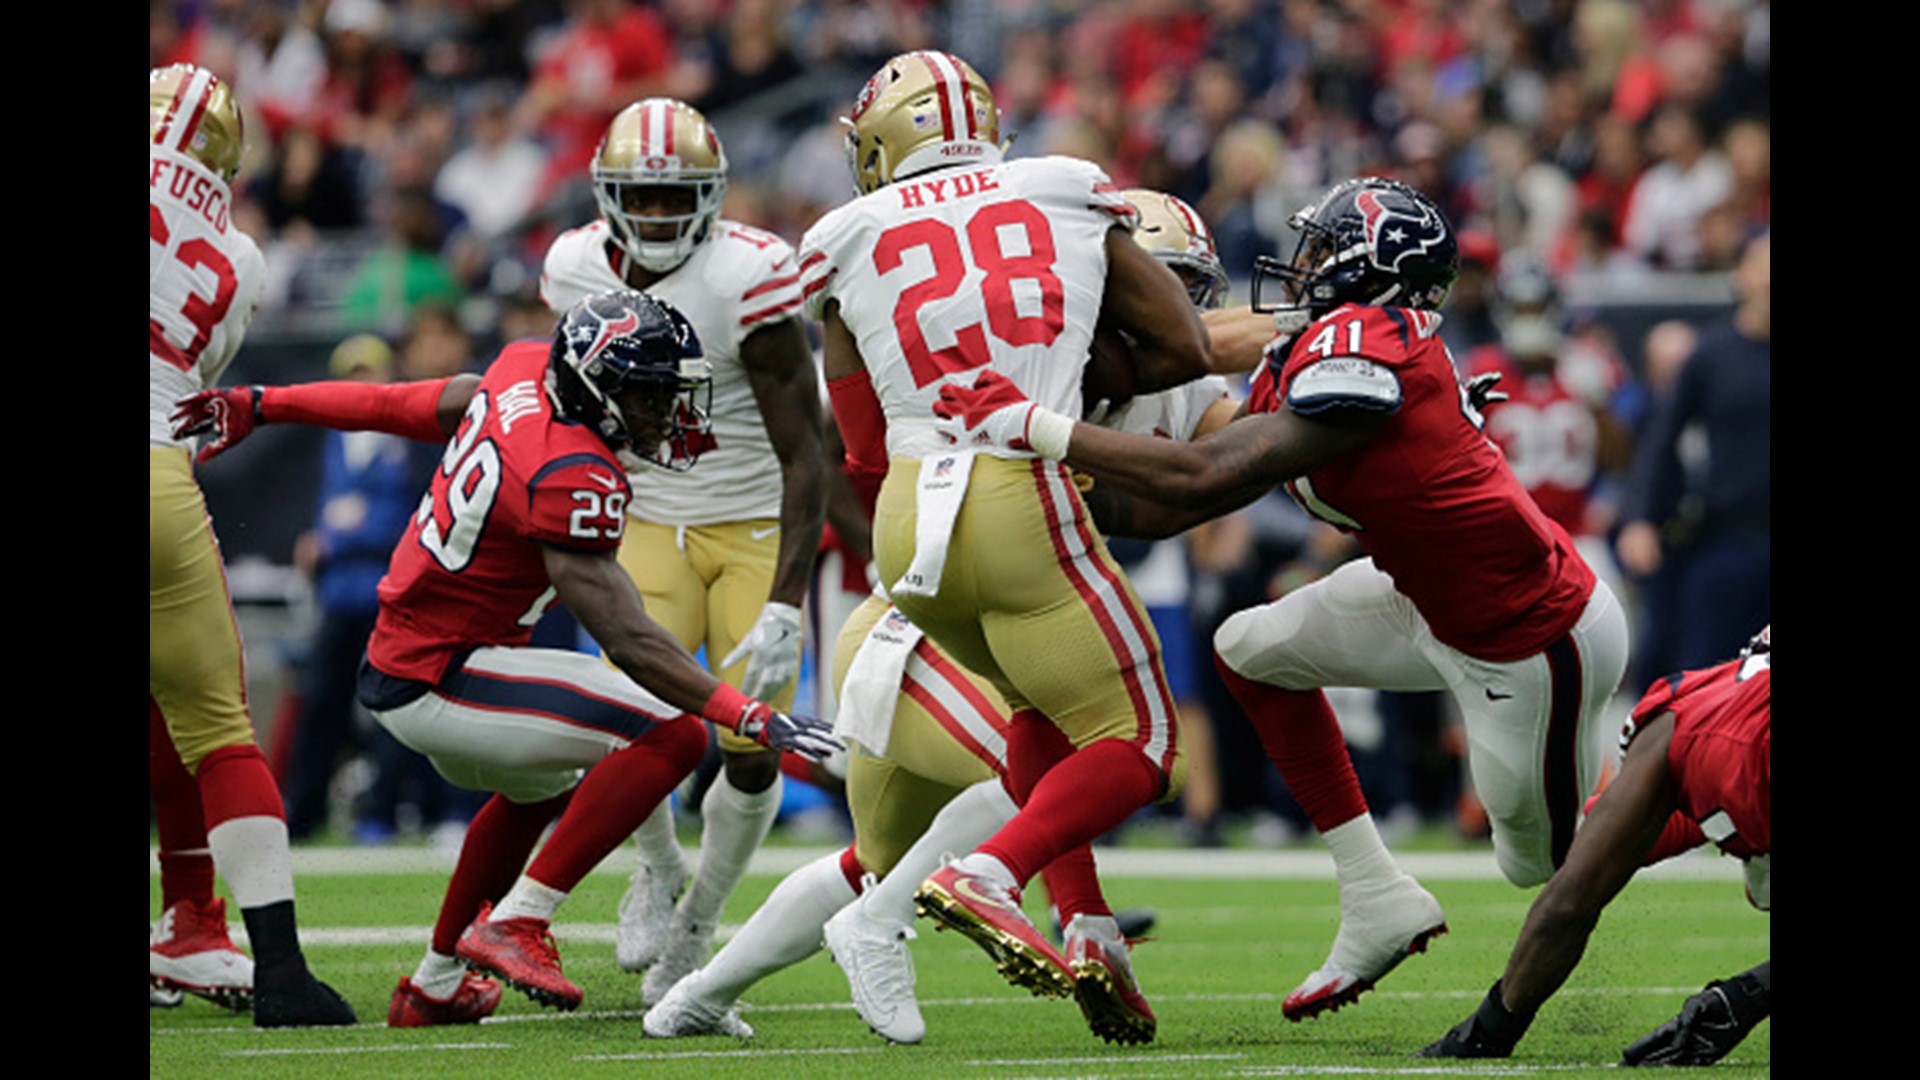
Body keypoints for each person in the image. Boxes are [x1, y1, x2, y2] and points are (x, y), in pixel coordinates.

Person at [934, 175, 1631, 1021]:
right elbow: (1173, 505)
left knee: (1540, 861)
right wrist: (1060, 479)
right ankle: (1376, 895)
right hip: (1423, 597)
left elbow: (1203, 470)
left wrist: (1035, 426)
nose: (1302, 270)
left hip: (1529, 637)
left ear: (1370, 270)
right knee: (1251, 649)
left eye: (1322, 252)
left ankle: (1697, 798)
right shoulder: (1326, 349)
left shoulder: (1373, 353)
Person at [643, 188, 1245, 1047]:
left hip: (951, 642)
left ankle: (699, 994)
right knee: (1065, 760)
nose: (1172, 308)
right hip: (917, 638)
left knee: (873, 861)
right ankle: (930, 921)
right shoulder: (1022, 360)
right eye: (1157, 282)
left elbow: (1229, 449)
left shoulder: (1160, 376)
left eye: (1186, 288)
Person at [171, 289, 841, 1027]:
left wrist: (267, 402)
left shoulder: (523, 371)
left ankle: (434, 982)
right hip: (441, 673)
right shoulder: (573, 475)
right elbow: (630, 639)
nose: (669, 414)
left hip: (428, 656)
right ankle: (521, 918)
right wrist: (741, 711)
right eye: (651, 395)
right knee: (674, 731)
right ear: (599, 390)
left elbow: (401, 404)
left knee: (541, 783)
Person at [798, 50, 1216, 1008]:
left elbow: (859, 454)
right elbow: (1184, 346)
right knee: (1145, 742)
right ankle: (991, 871)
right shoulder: (1061, 187)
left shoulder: (843, 236)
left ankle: (1089, 924)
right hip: (1021, 485)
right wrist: (1073, 383)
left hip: (908, 522)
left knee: (1041, 710)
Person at [539, 95, 831, 1007]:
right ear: (606, 196)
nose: (661, 216)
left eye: (678, 199)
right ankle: (656, 867)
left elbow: (806, 449)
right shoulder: (573, 267)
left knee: (751, 748)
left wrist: (787, 596)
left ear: (713, 196)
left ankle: (699, 924)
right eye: (643, 198)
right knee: (630, 721)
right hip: (647, 518)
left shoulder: (753, 273)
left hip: (748, 523)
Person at [149, 62, 357, 1028]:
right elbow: (198, 379)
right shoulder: (244, 254)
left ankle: (193, 922)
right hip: (160, 474)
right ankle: (265, 960)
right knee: (215, 721)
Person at [1419, 626, 1769, 1065]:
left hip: (1687, 724)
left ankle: (1488, 1033)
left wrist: (1484, 1032)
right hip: (1728, 755)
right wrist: (1743, 997)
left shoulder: (1679, 721)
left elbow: (1568, 902)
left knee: (1577, 876)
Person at [1615, 231, 1770, 675]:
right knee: (1707, 675)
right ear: (1740, 274)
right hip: (1728, 539)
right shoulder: (1711, 356)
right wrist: (1641, 517)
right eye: (1761, 265)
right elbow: (1662, 439)